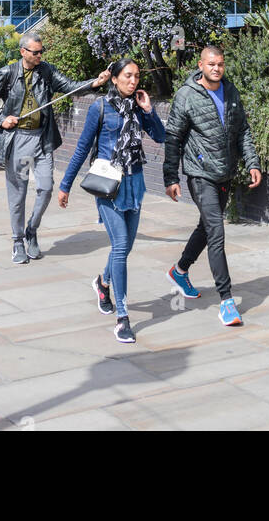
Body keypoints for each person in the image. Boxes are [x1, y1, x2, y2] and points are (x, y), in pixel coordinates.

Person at [58, 57, 166, 345]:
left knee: (126, 246)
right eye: (128, 76)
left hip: (135, 182)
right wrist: (65, 185)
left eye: (136, 77)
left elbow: (160, 136)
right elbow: (82, 148)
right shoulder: (100, 107)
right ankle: (123, 318)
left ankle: (102, 283)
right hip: (108, 185)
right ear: (115, 78)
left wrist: (149, 111)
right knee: (120, 246)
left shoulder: (137, 108)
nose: (133, 81)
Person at [0, 35, 110, 265]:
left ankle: (32, 229)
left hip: (42, 139)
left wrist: (95, 82)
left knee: (47, 188)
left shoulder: (47, 71)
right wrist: (0, 120)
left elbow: (69, 87)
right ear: (23, 52)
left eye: (41, 52)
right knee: (18, 193)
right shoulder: (8, 73)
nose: (40, 56)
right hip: (18, 140)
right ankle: (18, 240)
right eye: (35, 52)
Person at [163, 42, 262, 327]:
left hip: (225, 172)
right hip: (200, 173)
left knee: (208, 226)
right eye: (211, 64)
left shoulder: (230, 91)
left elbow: (242, 130)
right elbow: (173, 138)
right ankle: (227, 301)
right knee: (217, 231)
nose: (216, 69)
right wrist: (171, 177)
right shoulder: (186, 95)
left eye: (220, 64)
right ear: (200, 65)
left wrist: (252, 162)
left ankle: (180, 270)